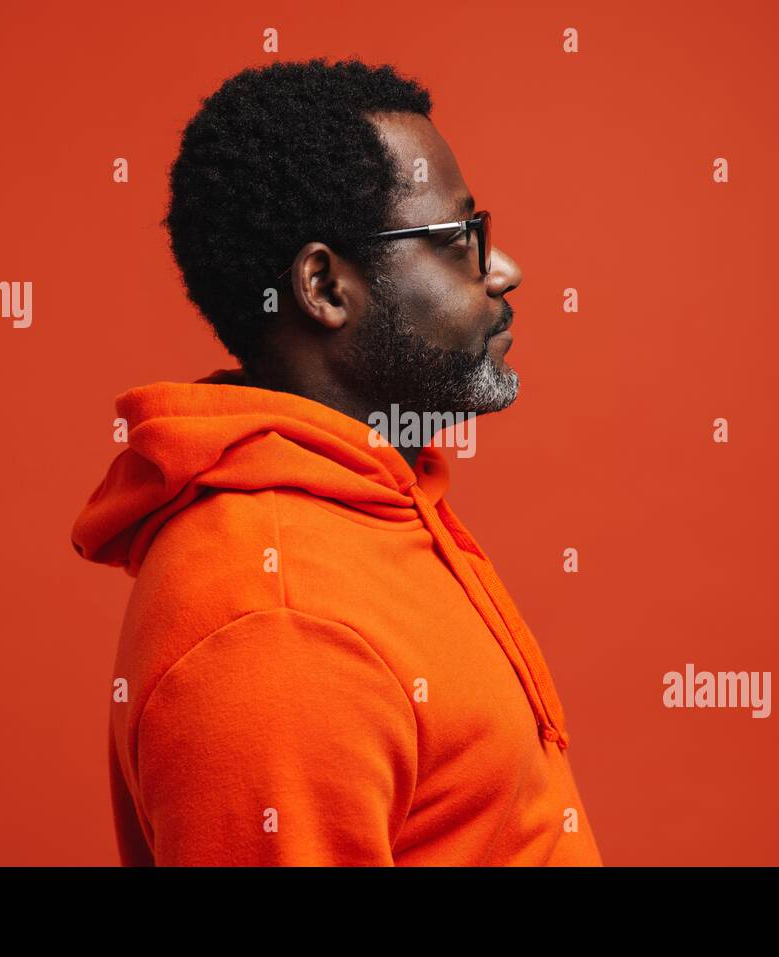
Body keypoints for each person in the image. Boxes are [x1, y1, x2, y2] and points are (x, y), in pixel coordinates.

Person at [71, 56, 603, 866]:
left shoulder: (372, 504)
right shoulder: (277, 627)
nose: (502, 269)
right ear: (323, 286)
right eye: (459, 238)